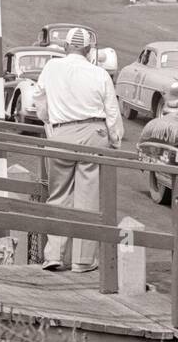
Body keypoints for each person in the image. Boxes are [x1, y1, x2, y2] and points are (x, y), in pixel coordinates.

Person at [32, 27, 124, 272]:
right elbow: (112, 111)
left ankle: (54, 254)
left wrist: (50, 123)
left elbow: (38, 101)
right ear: (88, 49)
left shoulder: (51, 68)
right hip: (94, 134)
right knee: (88, 198)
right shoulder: (100, 73)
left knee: (58, 195)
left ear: (65, 47)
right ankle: (82, 260)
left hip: (61, 134)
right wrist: (115, 140)